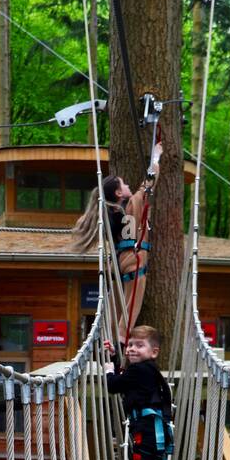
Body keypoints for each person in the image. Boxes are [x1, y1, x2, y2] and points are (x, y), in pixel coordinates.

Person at [73, 140, 162, 342]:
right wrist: (156, 158)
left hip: (121, 263)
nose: (128, 185)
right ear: (118, 193)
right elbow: (146, 187)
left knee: (118, 308)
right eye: (124, 184)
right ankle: (120, 344)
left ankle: (114, 341)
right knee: (130, 309)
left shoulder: (112, 212)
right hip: (133, 262)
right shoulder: (128, 208)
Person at [104, 325, 173, 460]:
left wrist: (107, 369)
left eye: (139, 346)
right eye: (130, 345)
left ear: (153, 352)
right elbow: (127, 380)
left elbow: (115, 385)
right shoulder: (147, 370)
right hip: (153, 431)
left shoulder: (140, 370)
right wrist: (115, 358)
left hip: (147, 432)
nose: (132, 349)